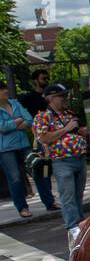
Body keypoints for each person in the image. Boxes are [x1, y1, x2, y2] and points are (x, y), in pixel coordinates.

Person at [33, 84, 90, 231]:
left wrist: (81, 132)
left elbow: (74, 131)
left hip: (80, 159)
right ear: (51, 98)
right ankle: (72, 226)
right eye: (62, 96)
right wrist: (66, 129)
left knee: (78, 194)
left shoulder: (69, 113)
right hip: (62, 161)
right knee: (67, 195)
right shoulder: (43, 117)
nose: (66, 98)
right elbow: (44, 138)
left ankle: (80, 223)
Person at [18, 67, 57, 211]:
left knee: (54, 168)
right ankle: (49, 201)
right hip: (41, 138)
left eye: (47, 78)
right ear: (35, 81)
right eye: (43, 78)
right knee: (44, 169)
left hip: (56, 134)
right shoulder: (29, 98)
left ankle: (52, 199)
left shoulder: (51, 96)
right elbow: (22, 115)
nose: (46, 81)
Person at [0, 83, 39, 218]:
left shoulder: (15, 103)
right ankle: (22, 207)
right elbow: (2, 127)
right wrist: (17, 122)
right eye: (1, 89)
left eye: (5, 88)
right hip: (6, 149)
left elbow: (29, 119)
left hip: (23, 144)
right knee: (15, 178)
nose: (5, 91)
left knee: (38, 168)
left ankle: (49, 201)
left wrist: (13, 124)